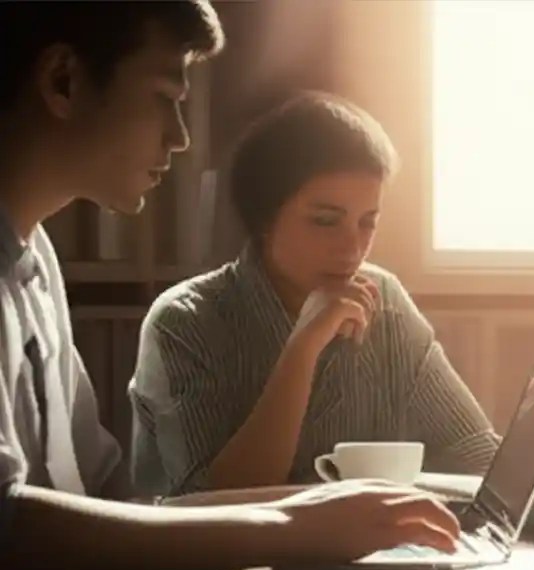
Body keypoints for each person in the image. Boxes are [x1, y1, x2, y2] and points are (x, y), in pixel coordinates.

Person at [0, 3, 461, 570]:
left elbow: (109, 501)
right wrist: (293, 526)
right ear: (63, 80)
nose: (181, 137)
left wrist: (316, 507)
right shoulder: (188, 317)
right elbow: (14, 533)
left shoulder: (35, 261)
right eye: (164, 98)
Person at [130, 92, 499, 497]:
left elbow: (475, 452)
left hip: (369, 552)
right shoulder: (185, 323)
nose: (352, 248)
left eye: (367, 223)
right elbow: (215, 503)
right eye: (326, 221)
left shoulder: (385, 300)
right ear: (264, 219)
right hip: (214, 558)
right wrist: (304, 345)